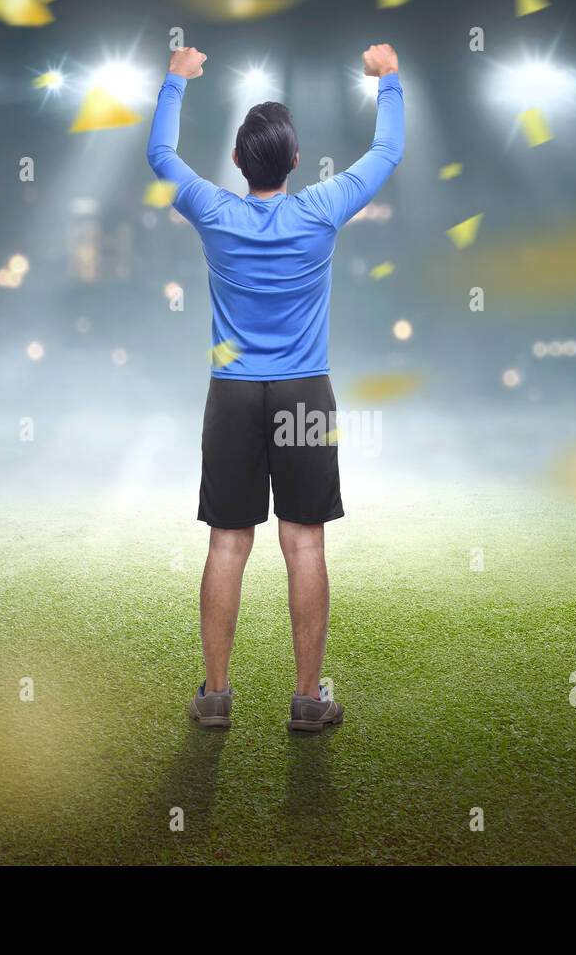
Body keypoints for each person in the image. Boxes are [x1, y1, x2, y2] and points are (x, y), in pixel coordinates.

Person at [147, 43, 404, 732]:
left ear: (237, 162)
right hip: (304, 396)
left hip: (232, 395)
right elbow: (386, 152)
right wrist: (389, 80)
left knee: (228, 544)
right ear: (294, 162)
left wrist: (174, 81)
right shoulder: (322, 207)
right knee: (305, 543)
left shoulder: (215, 211)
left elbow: (160, 158)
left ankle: (217, 698)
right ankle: (307, 700)